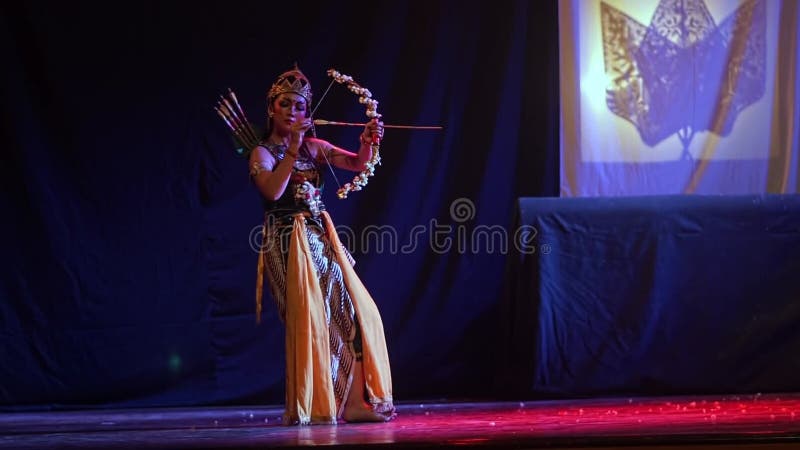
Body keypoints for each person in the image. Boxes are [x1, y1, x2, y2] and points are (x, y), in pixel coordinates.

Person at [248, 66, 396, 425]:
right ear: (272, 108)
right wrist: (292, 150)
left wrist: (366, 142)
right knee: (312, 320)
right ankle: (317, 402)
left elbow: (358, 164)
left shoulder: (316, 148)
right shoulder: (263, 153)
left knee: (353, 313)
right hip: (287, 243)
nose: (292, 112)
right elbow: (272, 190)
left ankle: (356, 402)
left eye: (299, 107)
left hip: (319, 238)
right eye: (285, 104)